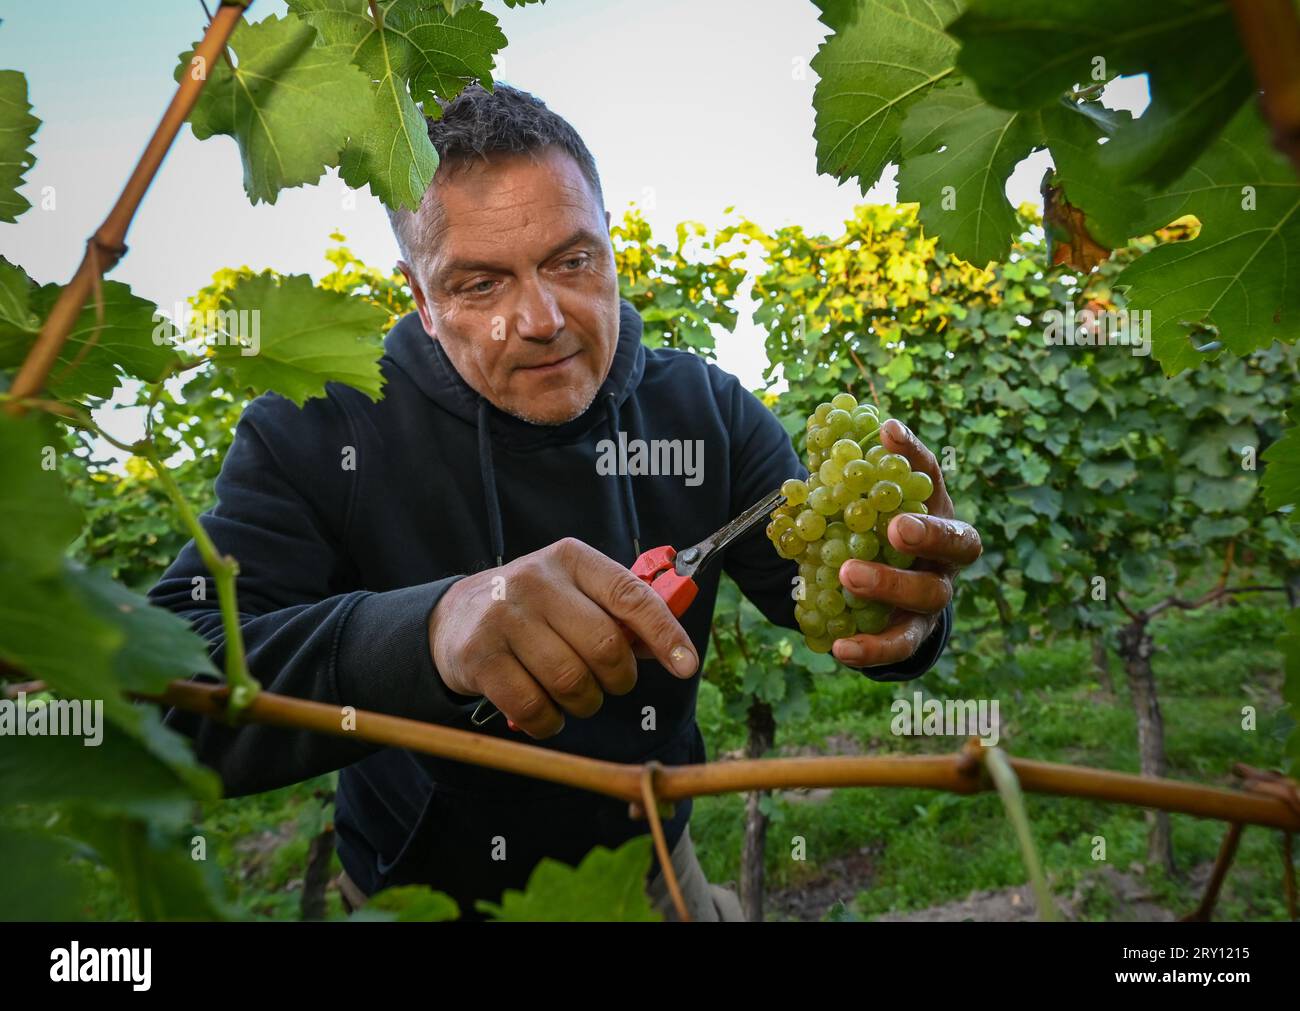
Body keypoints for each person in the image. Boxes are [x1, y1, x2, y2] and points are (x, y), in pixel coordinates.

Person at [149, 82, 982, 922]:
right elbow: (164, 698)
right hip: (421, 901)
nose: (542, 318)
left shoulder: (709, 413)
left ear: (610, 245)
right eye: (481, 284)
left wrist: (908, 606)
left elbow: (841, 603)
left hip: (650, 880)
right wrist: (431, 633)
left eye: (572, 262)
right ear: (422, 301)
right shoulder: (320, 426)